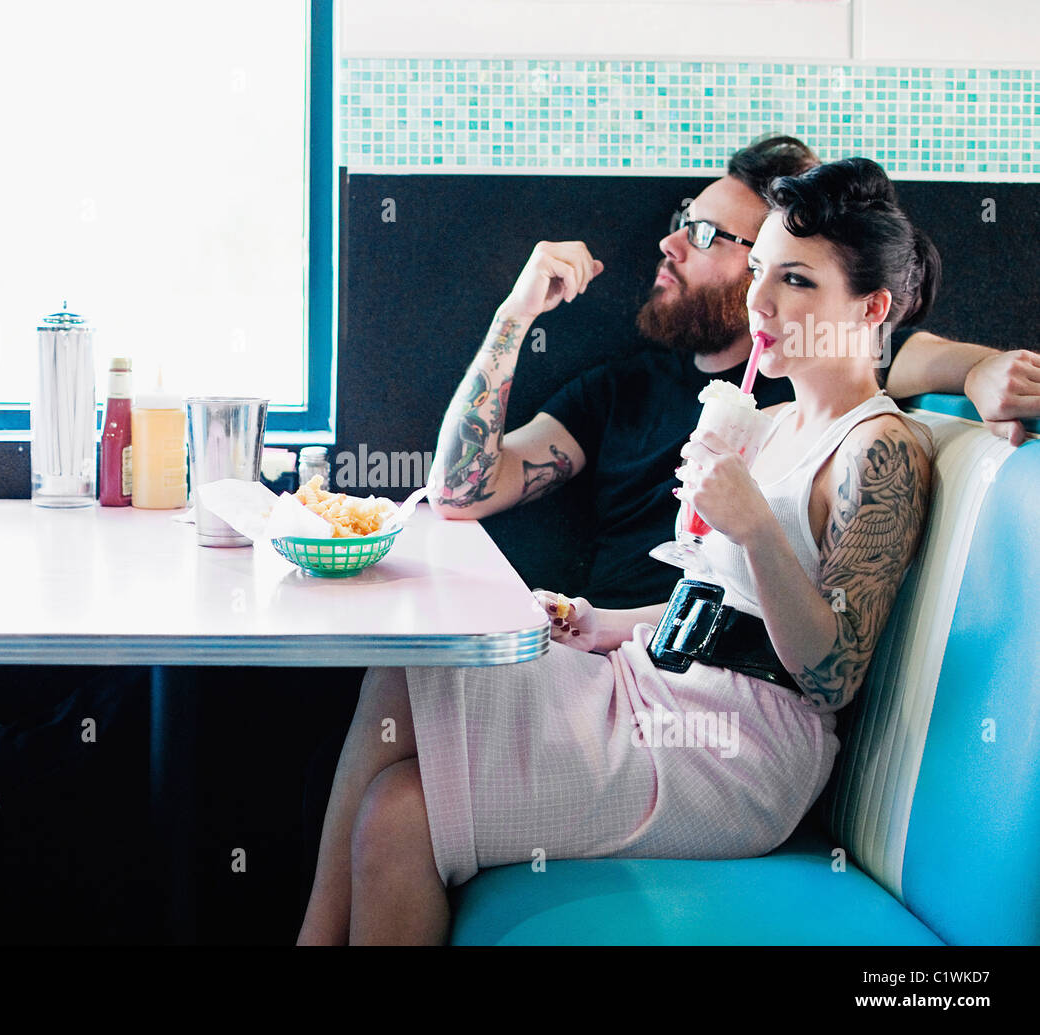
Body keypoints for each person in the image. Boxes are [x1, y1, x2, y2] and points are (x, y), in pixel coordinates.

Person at [297, 155, 938, 945]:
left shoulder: (880, 449)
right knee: (412, 661)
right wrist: (608, 622)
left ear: (871, 305)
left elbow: (831, 674)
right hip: (657, 685)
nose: (761, 300)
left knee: (397, 813)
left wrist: (755, 527)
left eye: (795, 281)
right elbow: (719, 607)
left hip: (740, 750)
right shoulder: (769, 428)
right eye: (761, 272)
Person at [427, 135, 1040, 612]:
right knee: (403, 672)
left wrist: (985, 370)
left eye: (703, 234)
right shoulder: (618, 390)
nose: (670, 244)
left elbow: (912, 348)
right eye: (682, 222)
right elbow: (460, 493)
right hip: (602, 643)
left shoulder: (814, 371)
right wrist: (514, 316)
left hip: (706, 677)